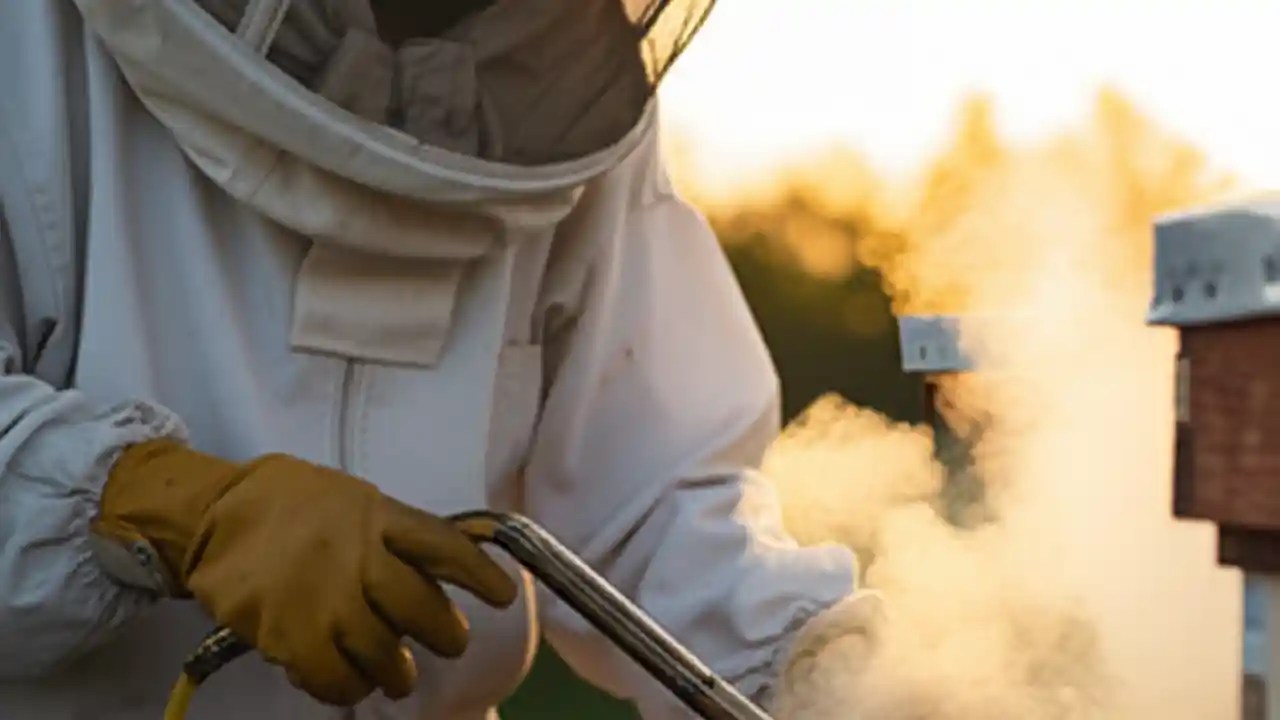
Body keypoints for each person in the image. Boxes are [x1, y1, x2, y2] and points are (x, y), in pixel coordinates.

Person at [0, 1, 881, 718]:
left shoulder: (562, 73)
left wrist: (825, 676)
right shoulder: (27, 46)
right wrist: (172, 504)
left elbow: (661, 502)